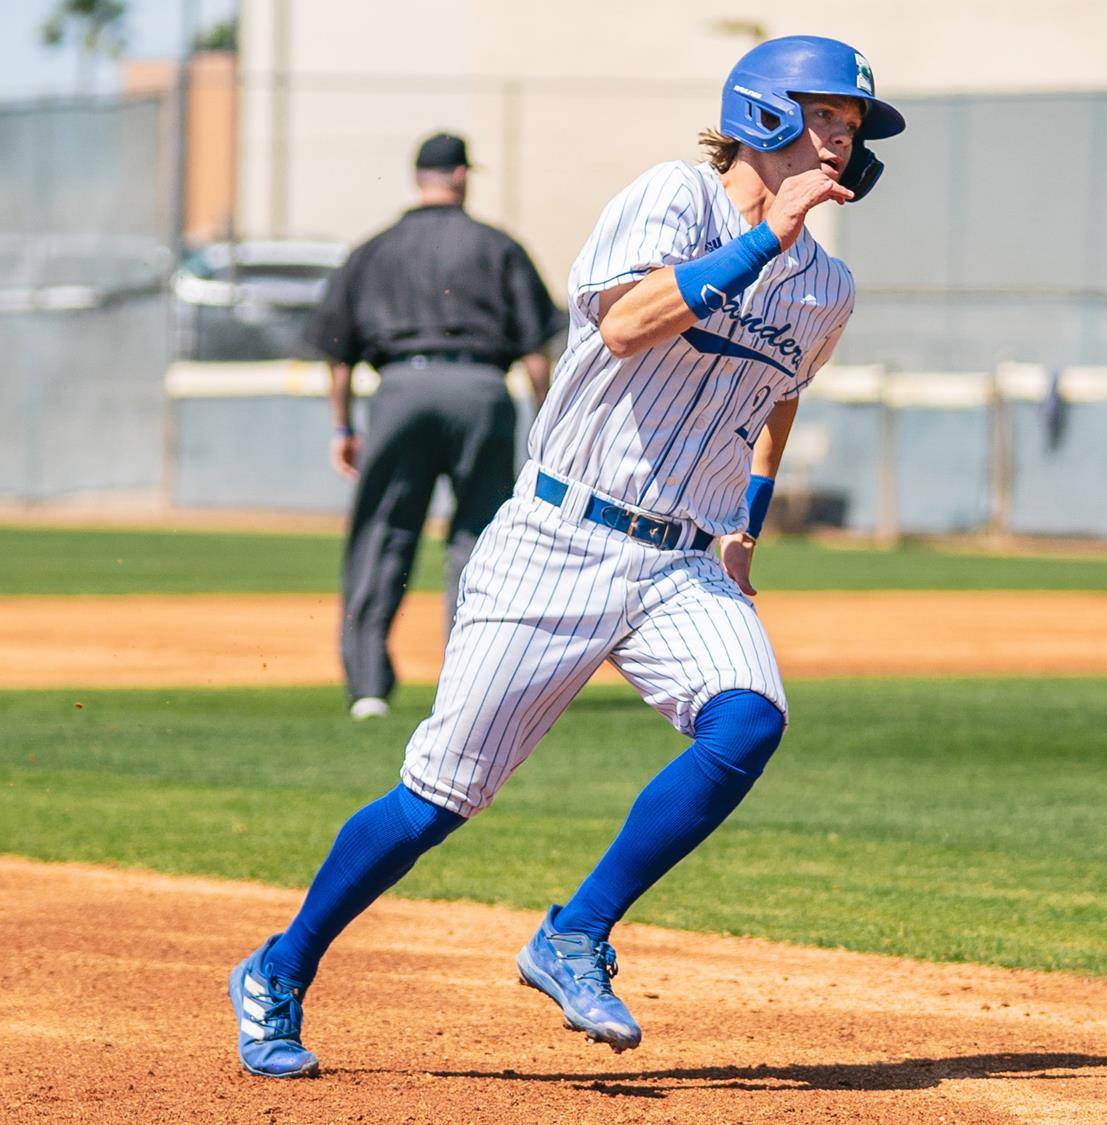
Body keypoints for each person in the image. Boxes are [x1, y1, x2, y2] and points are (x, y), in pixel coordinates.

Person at [228, 35, 903, 1078]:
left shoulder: (826, 286)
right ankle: (279, 967)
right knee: (434, 803)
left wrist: (746, 527)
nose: (842, 139)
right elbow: (629, 323)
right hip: (560, 536)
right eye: (825, 115)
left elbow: (778, 400)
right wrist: (765, 235)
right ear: (762, 112)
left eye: (852, 126)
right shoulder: (672, 198)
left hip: (680, 557)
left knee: (748, 720)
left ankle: (573, 933)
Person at [306, 131, 561, 721]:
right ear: (461, 175)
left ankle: (368, 686)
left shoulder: (373, 250)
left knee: (383, 531)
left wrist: (343, 428)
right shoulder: (497, 246)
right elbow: (534, 352)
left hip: (400, 388)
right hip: (480, 391)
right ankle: (469, 680)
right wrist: (548, 423)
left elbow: (338, 357)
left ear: (417, 175)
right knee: (478, 536)